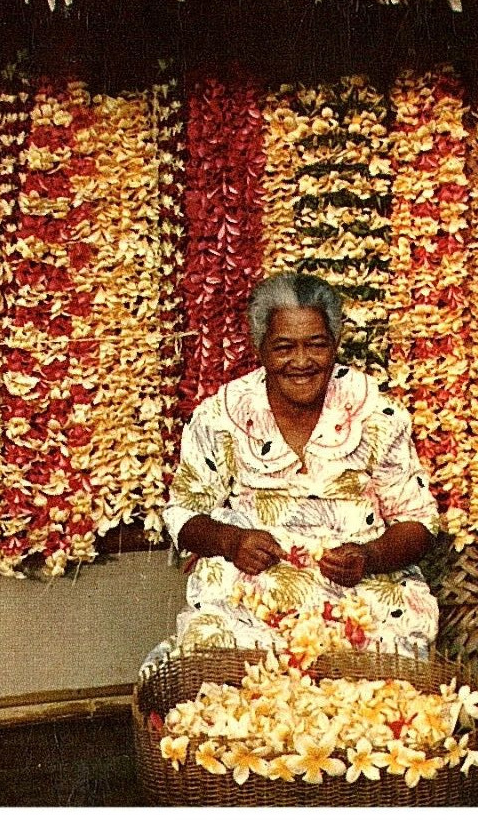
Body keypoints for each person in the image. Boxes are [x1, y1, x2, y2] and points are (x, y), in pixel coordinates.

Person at [147, 272, 440, 666]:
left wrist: (369, 557)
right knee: (223, 668)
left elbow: (417, 522)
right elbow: (182, 513)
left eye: (316, 345)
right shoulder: (222, 416)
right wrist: (231, 541)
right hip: (253, 590)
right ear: (260, 348)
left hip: (361, 586)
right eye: (284, 347)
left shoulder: (375, 413)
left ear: (336, 344)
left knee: (383, 675)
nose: (301, 362)